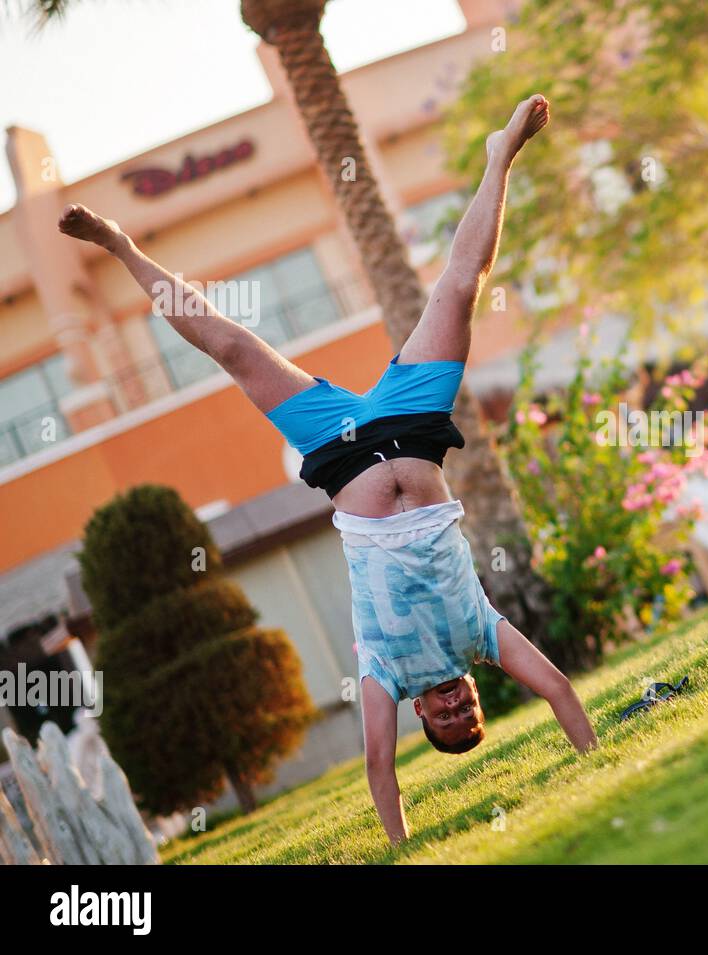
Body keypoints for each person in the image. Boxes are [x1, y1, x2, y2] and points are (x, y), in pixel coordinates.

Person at [58, 94, 597, 845]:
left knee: (235, 351)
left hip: (340, 450)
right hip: (412, 426)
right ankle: (499, 156)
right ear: (475, 693)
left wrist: (401, 845)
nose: (455, 711)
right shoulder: (483, 632)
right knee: (459, 286)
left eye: (446, 722)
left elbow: (380, 766)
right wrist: (596, 761)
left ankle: (119, 246)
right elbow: (561, 688)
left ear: (422, 715)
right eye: (467, 711)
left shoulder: (385, 670)